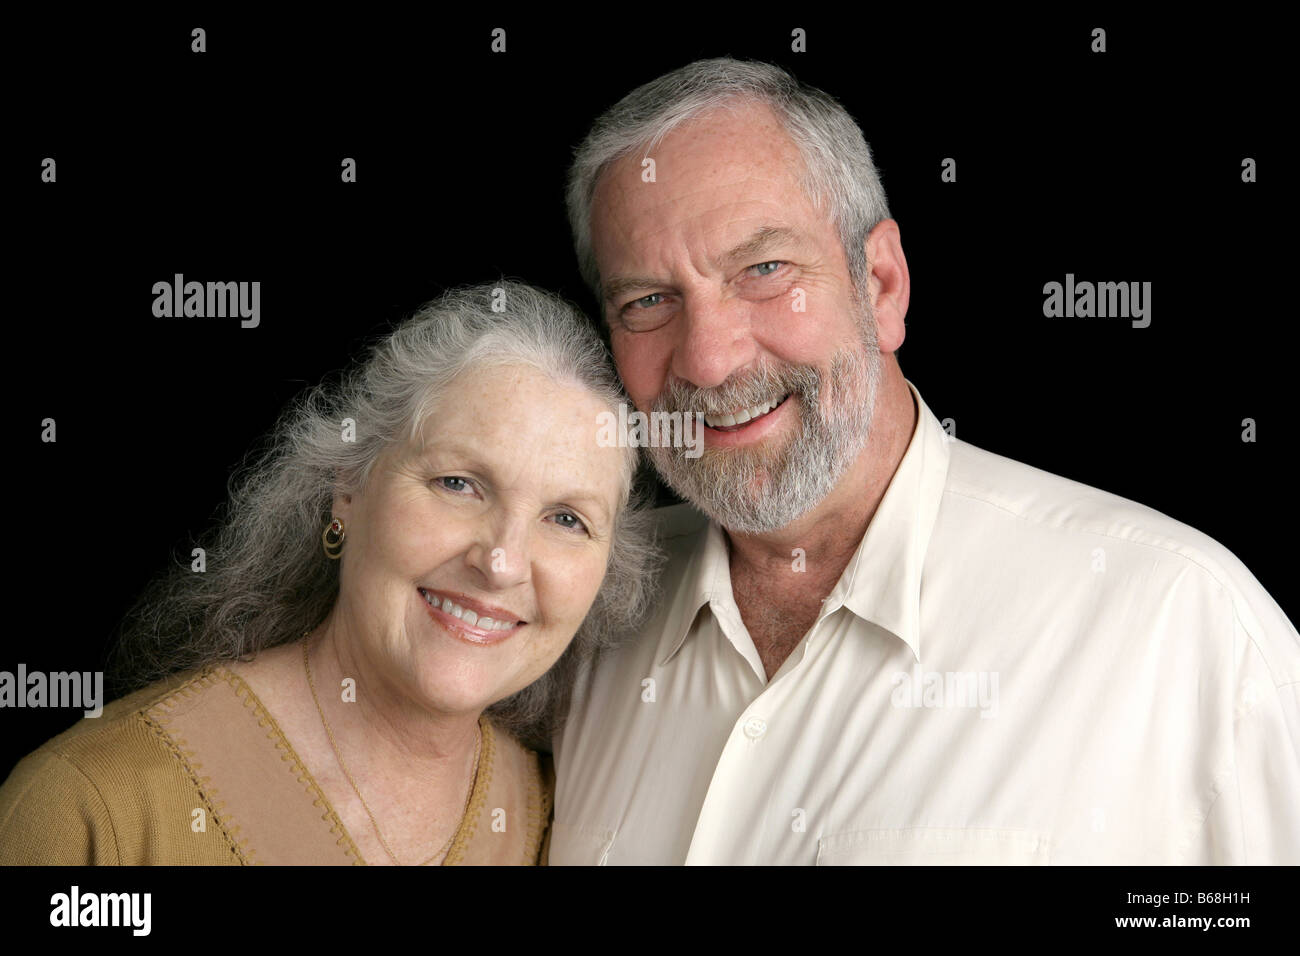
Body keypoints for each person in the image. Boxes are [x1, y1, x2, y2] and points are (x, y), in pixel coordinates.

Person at [550, 58, 1300, 864]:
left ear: (881, 284)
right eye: (648, 303)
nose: (708, 360)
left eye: (763, 271)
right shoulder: (575, 616)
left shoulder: (1180, 623)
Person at [0, 281, 659, 865]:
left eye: (568, 519)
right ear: (350, 484)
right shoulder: (91, 806)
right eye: (458, 483)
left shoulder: (565, 827)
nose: (502, 562)